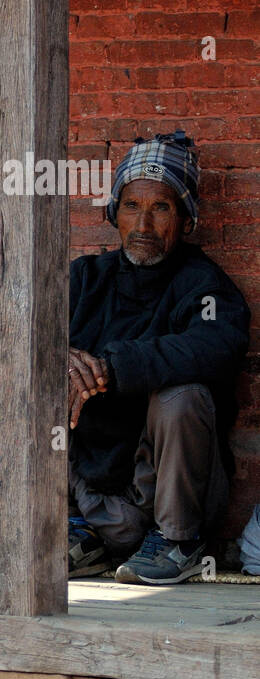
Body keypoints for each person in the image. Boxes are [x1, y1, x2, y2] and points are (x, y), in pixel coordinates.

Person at [66, 131, 250, 584]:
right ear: (114, 214)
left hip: (164, 492)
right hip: (89, 486)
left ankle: (177, 543)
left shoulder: (204, 286)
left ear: (186, 220)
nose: (143, 225)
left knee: (182, 395)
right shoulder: (83, 279)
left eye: (161, 208)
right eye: (132, 206)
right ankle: (77, 531)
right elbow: (7, 338)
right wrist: (56, 357)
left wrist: (112, 367)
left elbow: (217, 348)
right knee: (34, 373)